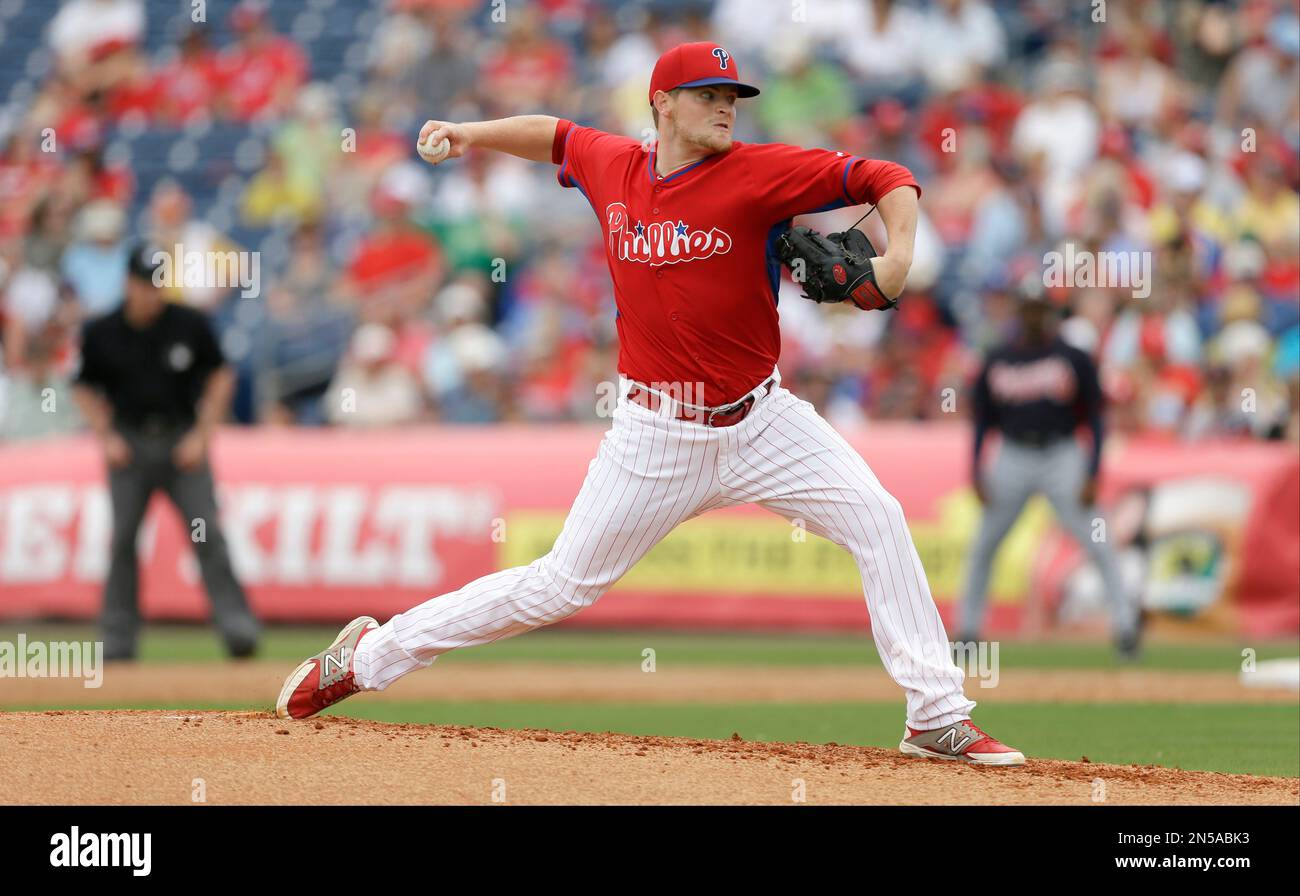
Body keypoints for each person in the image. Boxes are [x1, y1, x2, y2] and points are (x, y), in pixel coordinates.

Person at [277, 42, 1025, 767]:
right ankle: (366, 657)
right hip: (657, 434)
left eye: (732, 97)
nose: (726, 108)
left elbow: (886, 176)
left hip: (763, 419)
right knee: (558, 585)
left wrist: (896, 256)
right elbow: (555, 136)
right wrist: (469, 133)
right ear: (662, 103)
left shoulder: (758, 174)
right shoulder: (615, 165)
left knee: (879, 518)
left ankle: (935, 716)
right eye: (709, 96)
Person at [71, 243, 260, 661]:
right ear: (128, 284)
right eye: (144, 284)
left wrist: (203, 434)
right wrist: (105, 436)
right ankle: (118, 639)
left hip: (181, 443)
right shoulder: (102, 331)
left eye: (158, 285)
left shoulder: (188, 323)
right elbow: (83, 386)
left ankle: (237, 628)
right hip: (130, 444)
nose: (152, 294)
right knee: (122, 539)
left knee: (206, 532)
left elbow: (220, 376)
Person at [959, 283, 1142, 658]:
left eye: (1038, 308)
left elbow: (1094, 415)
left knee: (1098, 540)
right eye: (1027, 308)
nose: (1033, 316)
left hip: (1062, 453)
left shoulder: (1072, 356)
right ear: (1018, 312)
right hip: (1011, 453)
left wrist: (1093, 471)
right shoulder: (998, 357)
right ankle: (967, 631)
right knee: (983, 545)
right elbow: (982, 421)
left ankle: (1125, 627)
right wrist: (976, 468)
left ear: (1049, 311)